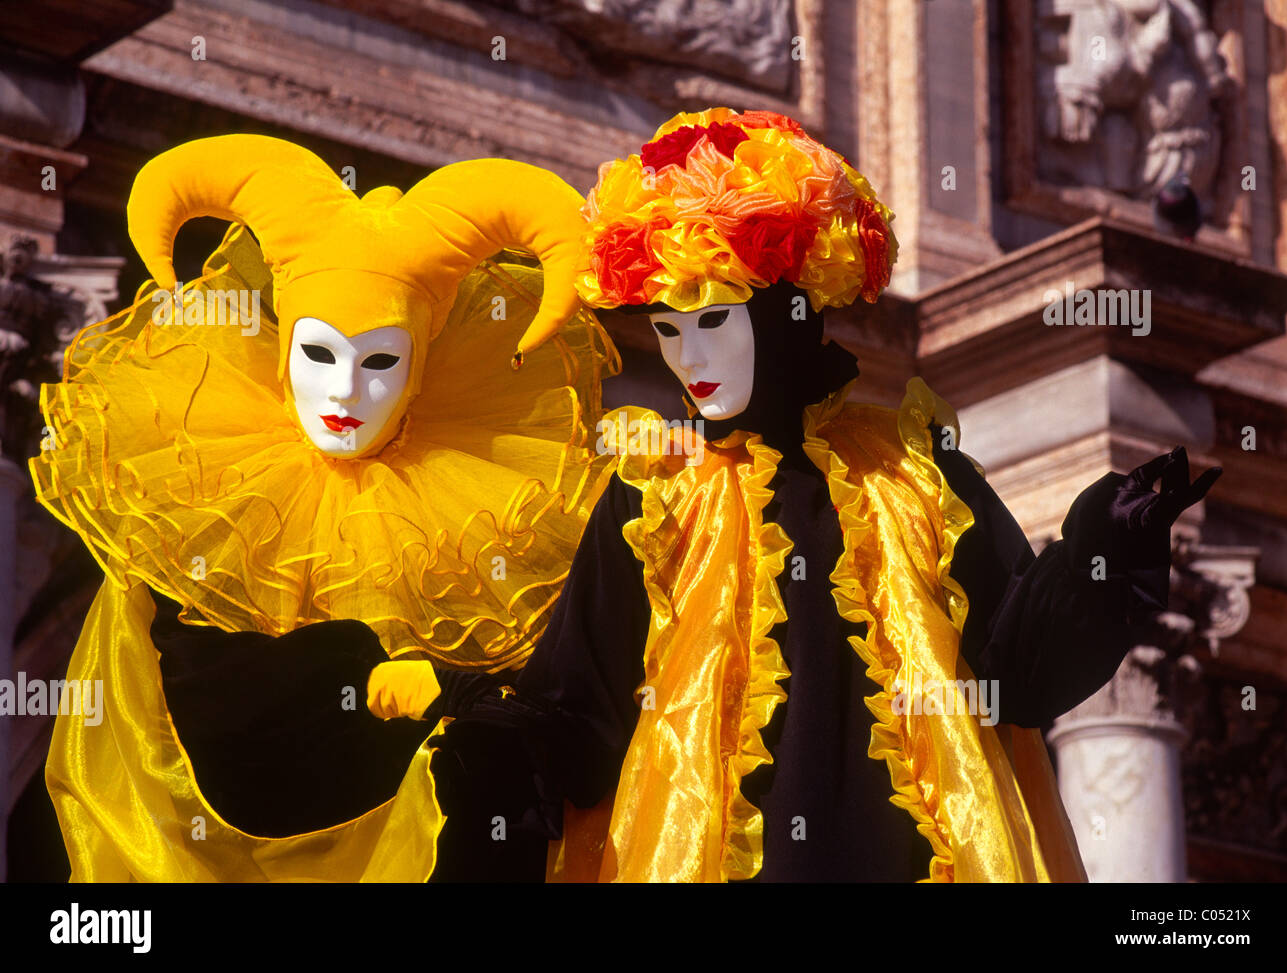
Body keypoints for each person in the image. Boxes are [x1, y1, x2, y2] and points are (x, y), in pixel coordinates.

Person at [409, 107, 1221, 882]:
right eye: (667, 327)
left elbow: (1016, 672)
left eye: (714, 320)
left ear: (788, 309)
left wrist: (1100, 559)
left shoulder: (913, 470)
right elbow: (579, 706)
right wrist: (496, 763)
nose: (688, 356)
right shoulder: (650, 488)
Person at [30, 135, 616, 881]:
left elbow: (547, 719)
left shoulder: (493, 512)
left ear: (420, 368)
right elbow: (138, 712)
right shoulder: (189, 491)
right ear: (283, 352)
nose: (343, 393)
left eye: (379, 363)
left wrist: (457, 688)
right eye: (318, 354)